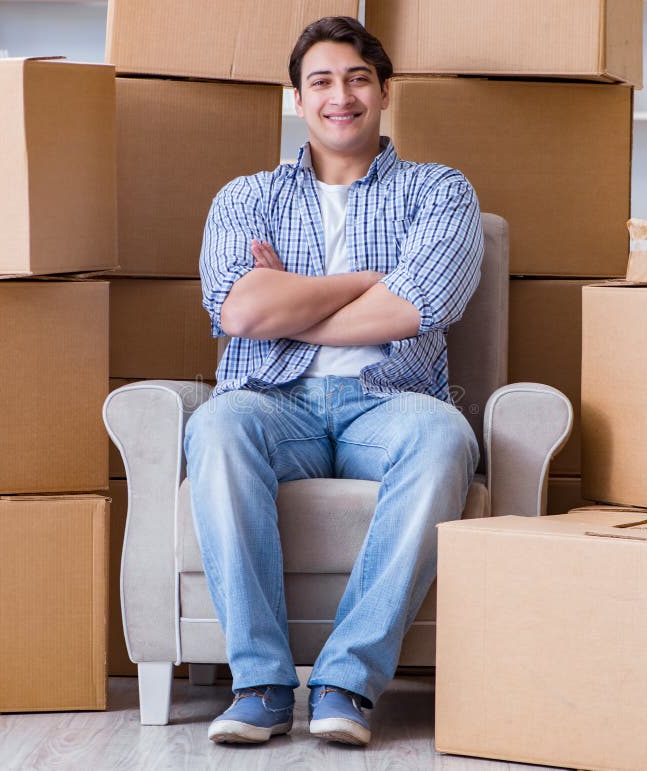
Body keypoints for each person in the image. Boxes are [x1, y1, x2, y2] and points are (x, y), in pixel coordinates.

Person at [185, 15, 483, 747]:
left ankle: (346, 680)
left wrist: (289, 301)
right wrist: (370, 280)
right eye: (320, 81)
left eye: (357, 79)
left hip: (390, 404)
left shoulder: (438, 191)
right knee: (215, 425)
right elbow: (239, 310)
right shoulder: (246, 197)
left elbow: (422, 304)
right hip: (271, 403)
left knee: (445, 436)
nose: (340, 96)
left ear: (385, 91)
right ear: (297, 99)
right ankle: (259, 685)